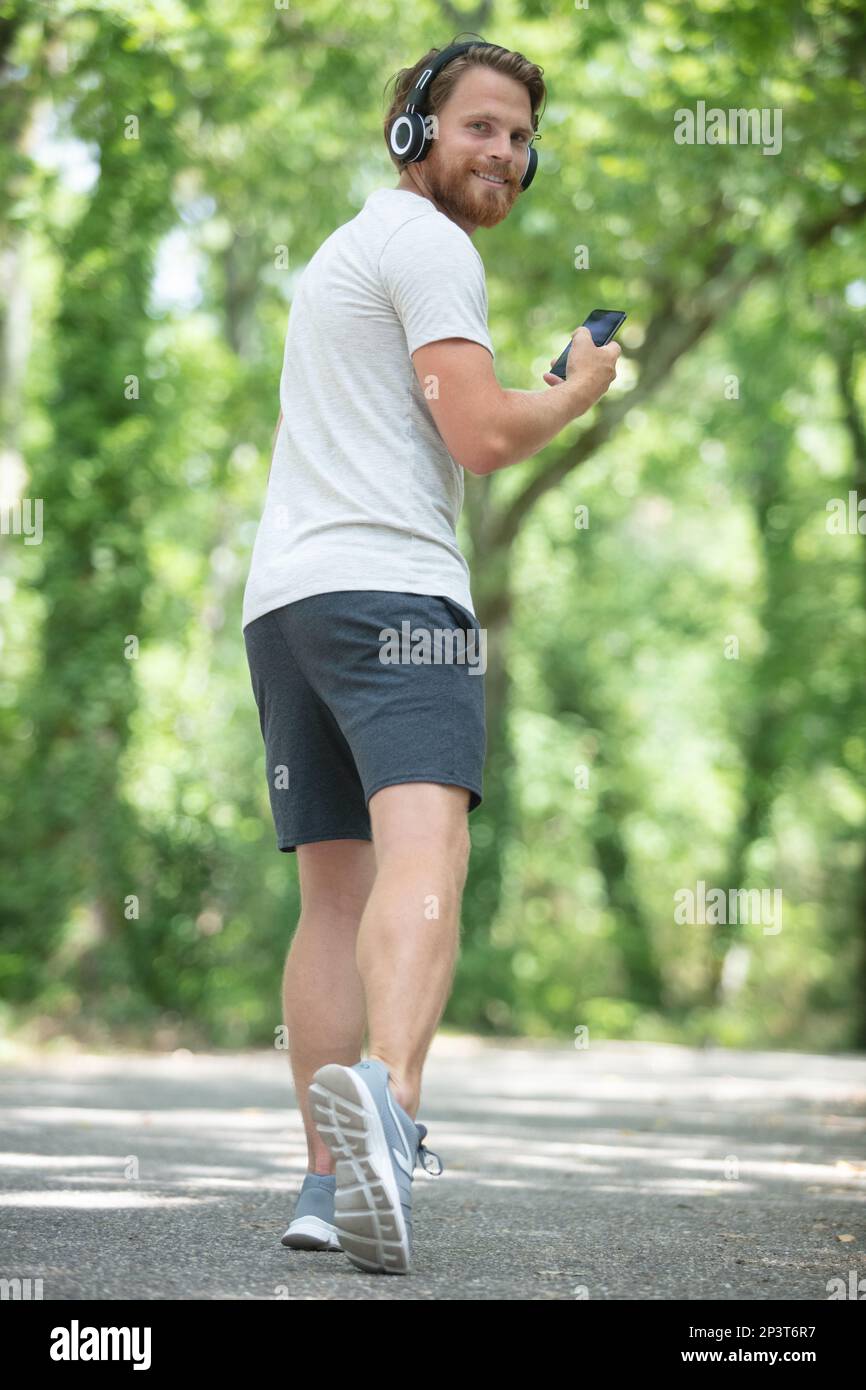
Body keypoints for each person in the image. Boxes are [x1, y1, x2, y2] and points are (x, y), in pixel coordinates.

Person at [241, 36, 621, 1276]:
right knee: (429, 849)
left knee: (331, 898)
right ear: (413, 129)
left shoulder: (349, 249)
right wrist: (573, 390)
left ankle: (321, 1181)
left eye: (518, 137)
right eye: (479, 127)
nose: (504, 154)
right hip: (391, 594)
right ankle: (391, 1117)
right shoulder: (428, 244)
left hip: (286, 604)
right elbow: (479, 433)